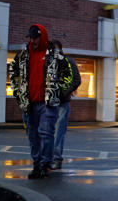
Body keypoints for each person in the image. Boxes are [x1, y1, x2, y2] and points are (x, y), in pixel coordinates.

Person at [8, 24, 69, 179]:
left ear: (43, 37)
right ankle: (37, 164)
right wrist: (18, 92)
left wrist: (59, 92)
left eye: (36, 37)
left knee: (46, 133)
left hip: (48, 104)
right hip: (29, 104)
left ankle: (44, 164)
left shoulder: (55, 55)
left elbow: (69, 74)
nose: (33, 40)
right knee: (33, 135)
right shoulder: (23, 55)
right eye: (31, 37)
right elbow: (13, 72)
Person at [50, 40, 82, 170]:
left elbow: (77, 79)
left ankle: (56, 159)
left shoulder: (68, 62)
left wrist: (64, 92)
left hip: (62, 103)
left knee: (58, 132)